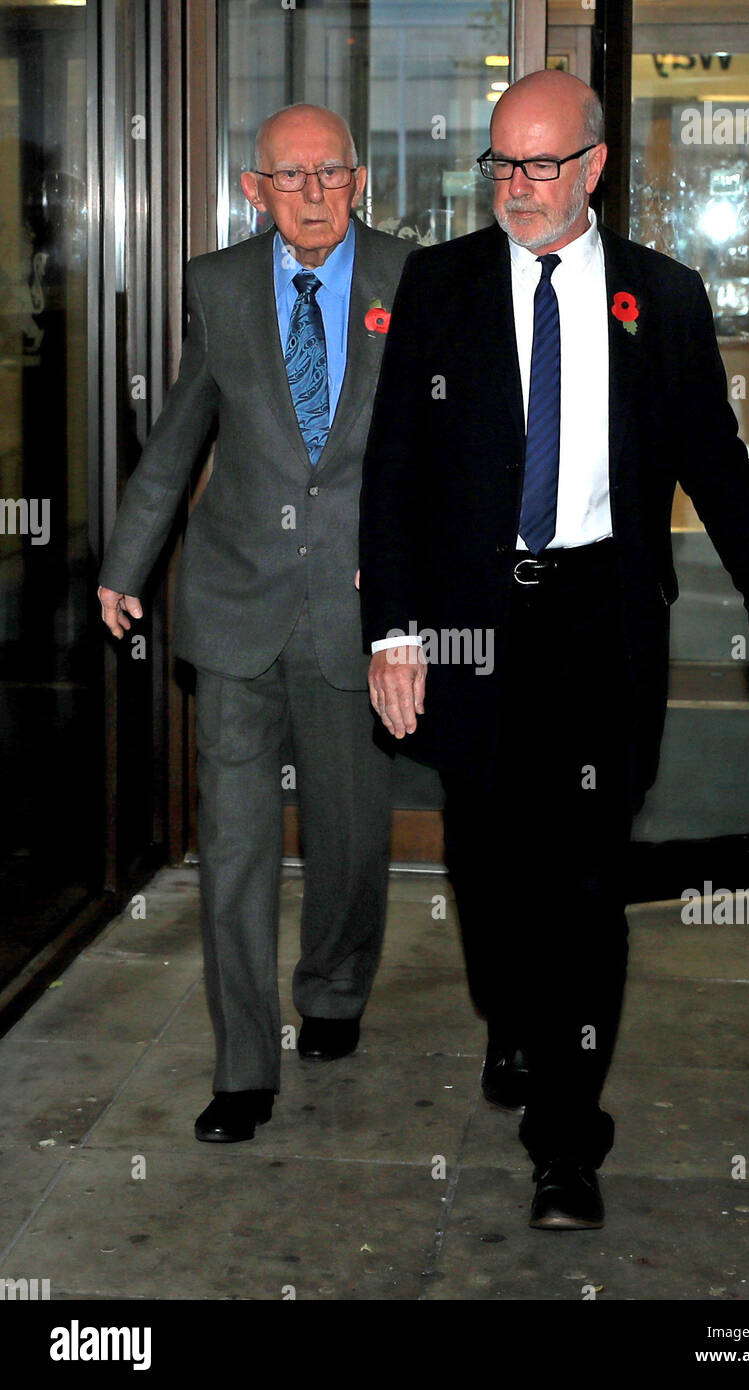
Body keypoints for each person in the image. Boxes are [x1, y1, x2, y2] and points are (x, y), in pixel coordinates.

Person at [359, 70, 749, 1230]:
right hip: (470, 628)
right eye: (499, 164)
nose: (515, 187)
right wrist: (395, 631)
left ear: (594, 166)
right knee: (488, 862)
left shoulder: (659, 297)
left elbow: (716, 461)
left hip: (596, 624)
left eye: (539, 165)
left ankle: (567, 1136)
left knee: (585, 885)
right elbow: (396, 475)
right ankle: (511, 1012)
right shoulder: (439, 284)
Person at [98, 103, 412, 1143]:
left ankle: (331, 987)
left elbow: (436, 453)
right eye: (292, 176)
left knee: (351, 835)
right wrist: (126, 561)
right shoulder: (219, 287)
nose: (314, 193)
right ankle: (242, 1065)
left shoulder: (411, 280)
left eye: (332, 174)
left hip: (357, 612)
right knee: (233, 845)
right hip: (234, 608)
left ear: (359, 183)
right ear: (255, 189)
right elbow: (183, 428)